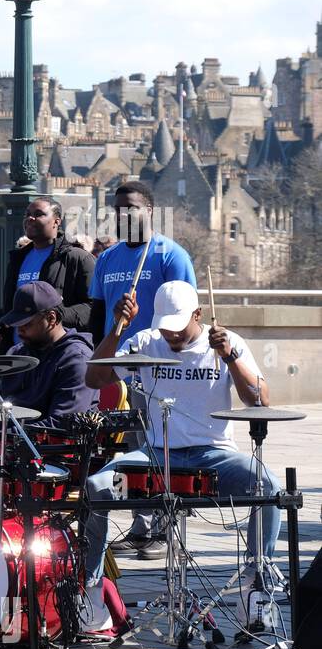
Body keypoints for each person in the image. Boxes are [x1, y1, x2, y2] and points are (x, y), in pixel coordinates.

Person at [83, 280, 278, 626]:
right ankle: (91, 591)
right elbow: (95, 379)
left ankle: (255, 586)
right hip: (156, 455)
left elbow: (260, 400)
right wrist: (117, 329)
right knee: (97, 487)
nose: (171, 336)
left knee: (269, 487)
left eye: (178, 327)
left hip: (212, 453)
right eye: (165, 327)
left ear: (198, 315)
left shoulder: (226, 343)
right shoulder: (145, 341)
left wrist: (229, 357)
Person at [88, 180, 197, 559]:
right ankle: (140, 525)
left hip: (162, 368)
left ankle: (165, 531)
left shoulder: (171, 255)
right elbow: (97, 314)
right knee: (135, 449)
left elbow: (187, 315)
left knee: (163, 447)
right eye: (117, 209)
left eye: (131, 207)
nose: (123, 215)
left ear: (148, 210)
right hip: (122, 369)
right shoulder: (108, 258)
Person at [0, 197, 94, 353]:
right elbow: (15, 307)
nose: (30, 218)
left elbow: (93, 308)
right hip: (19, 354)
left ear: (56, 222)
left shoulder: (78, 258)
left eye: (39, 214)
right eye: (27, 214)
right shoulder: (18, 259)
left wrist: (54, 315)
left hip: (57, 352)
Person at [0, 281, 96, 429]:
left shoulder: (77, 360)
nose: (19, 331)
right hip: (9, 442)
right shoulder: (18, 353)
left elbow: (61, 424)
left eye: (26, 324)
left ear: (51, 318)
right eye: (16, 324)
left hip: (50, 449)